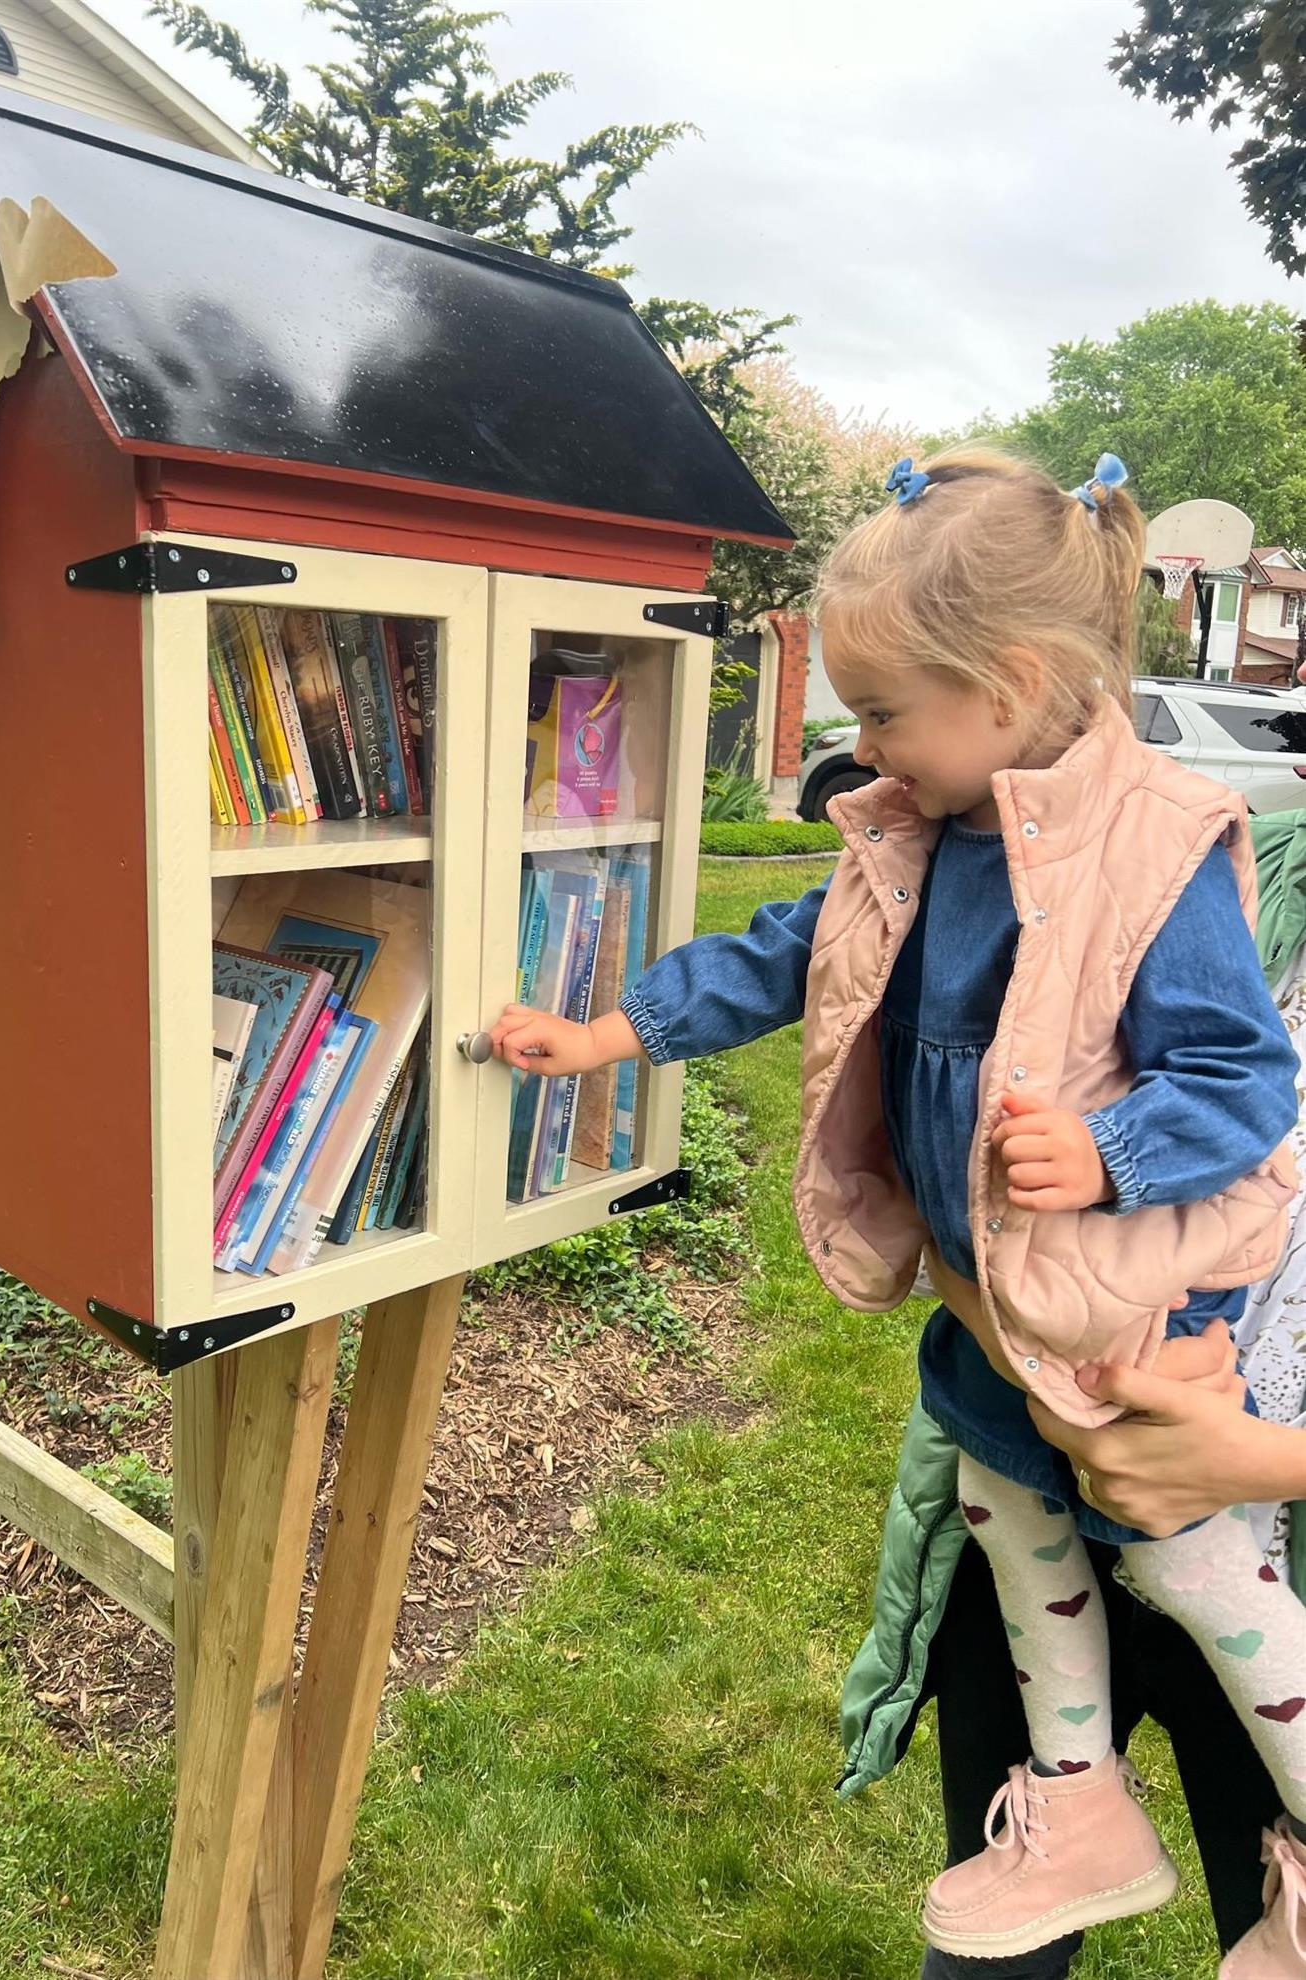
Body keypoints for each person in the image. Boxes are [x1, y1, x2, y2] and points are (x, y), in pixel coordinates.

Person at [490, 447, 1306, 1975]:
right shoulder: (923, 830)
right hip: (997, 1303)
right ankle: (1074, 1807)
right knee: (1004, 1509)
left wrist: (1113, 1150)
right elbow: (797, 951)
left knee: (1186, 1565)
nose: (854, 743)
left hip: (1130, 1304)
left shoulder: (1155, 849)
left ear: (1002, 684)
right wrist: (611, 1034)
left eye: (875, 712)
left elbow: (1243, 1082)